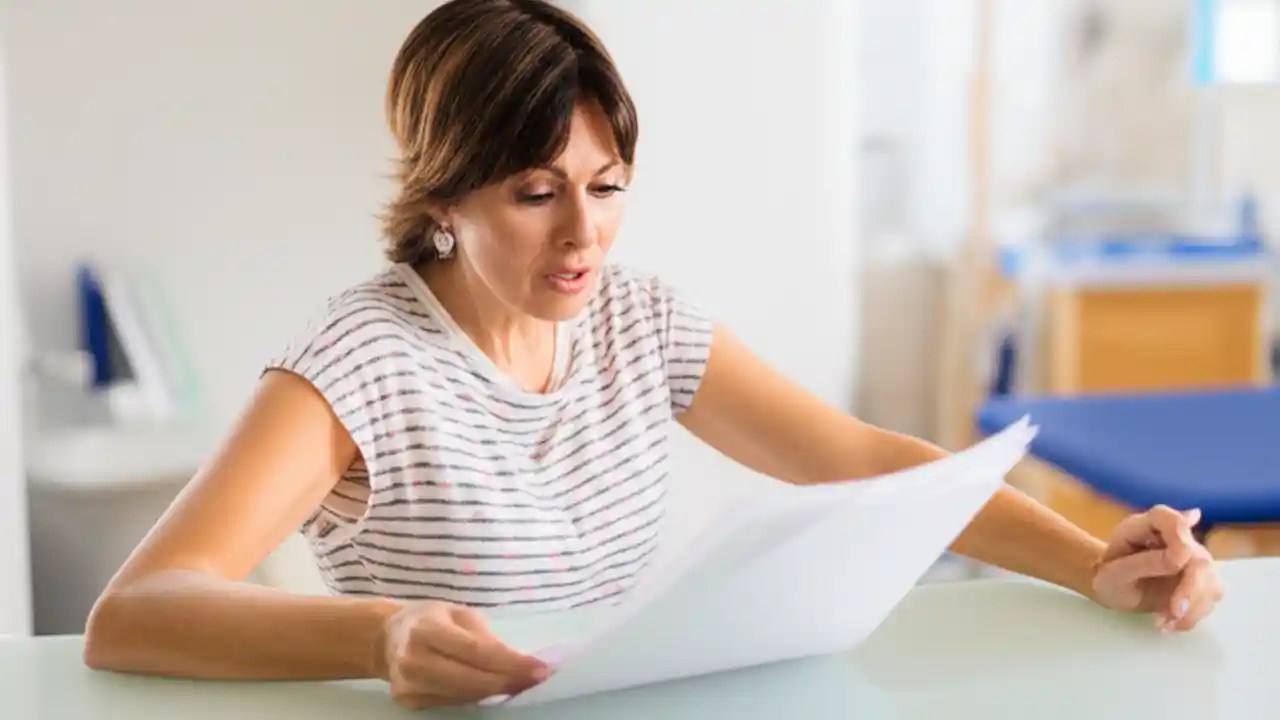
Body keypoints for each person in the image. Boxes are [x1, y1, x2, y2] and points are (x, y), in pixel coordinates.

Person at [82, 0, 1223, 710]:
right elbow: (138, 611)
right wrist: (379, 634)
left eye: (606, 188)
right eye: (534, 194)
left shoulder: (633, 319)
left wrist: (1091, 565)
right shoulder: (356, 365)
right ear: (440, 198)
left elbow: (859, 459)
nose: (583, 236)